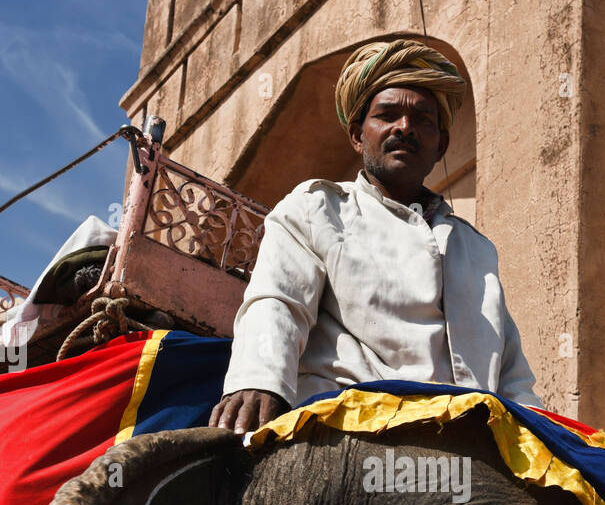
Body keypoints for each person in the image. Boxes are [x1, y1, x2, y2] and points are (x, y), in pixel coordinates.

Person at [210, 38, 542, 434]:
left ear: (441, 145)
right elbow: (279, 301)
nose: (405, 128)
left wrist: (545, 437)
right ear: (357, 135)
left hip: (467, 434)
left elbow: (511, 372)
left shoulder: (475, 249)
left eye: (422, 120)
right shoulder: (317, 207)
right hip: (350, 417)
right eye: (388, 115)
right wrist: (259, 380)